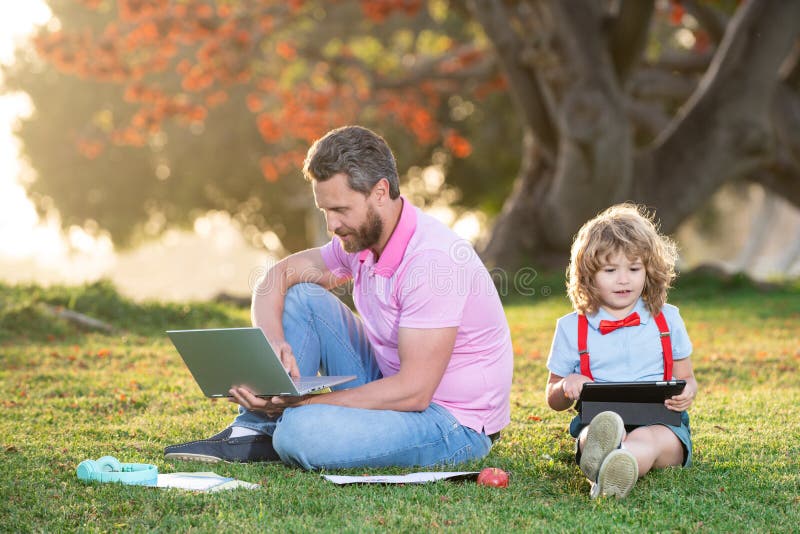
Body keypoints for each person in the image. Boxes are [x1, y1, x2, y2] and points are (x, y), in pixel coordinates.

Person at [164, 125, 513, 470]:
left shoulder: (432, 261)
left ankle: (281, 425)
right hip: (391, 385)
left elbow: (414, 392)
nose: (331, 225)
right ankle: (255, 430)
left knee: (301, 433)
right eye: (325, 211)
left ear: (380, 191)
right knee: (301, 297)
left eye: (340, 210)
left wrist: (304, 405)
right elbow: (276, 278)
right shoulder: (361, 240)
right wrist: (272, 345)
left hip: (450, 421)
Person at [545, 203, 697, 498]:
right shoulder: (571, 327)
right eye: (610, 270)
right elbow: (553, 397)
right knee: (592, 435)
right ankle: (606, 457)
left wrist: (687, 391)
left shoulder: (668, 319)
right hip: (599, 418)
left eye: (634, 268)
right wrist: (566, 385)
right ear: (588, 276)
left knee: (647, 440)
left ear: (649, 270)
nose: (624, 279)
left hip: (662, 423)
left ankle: (617, 464)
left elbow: (687, 378)